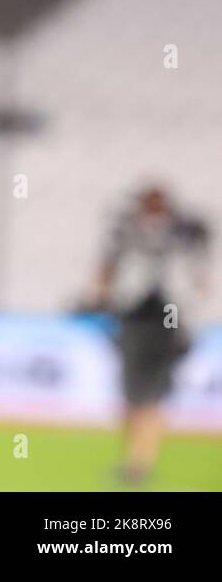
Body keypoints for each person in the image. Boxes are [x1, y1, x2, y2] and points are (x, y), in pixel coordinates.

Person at [90, 184, 210, 484]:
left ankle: (139, 463)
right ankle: (133, 457)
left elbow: (198, 277)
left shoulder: (185, 233)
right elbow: (106, 271)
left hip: (168, 319)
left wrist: (187, 318)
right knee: (133, 395)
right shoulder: (125, 231)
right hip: (133, 318)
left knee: (153, 394)